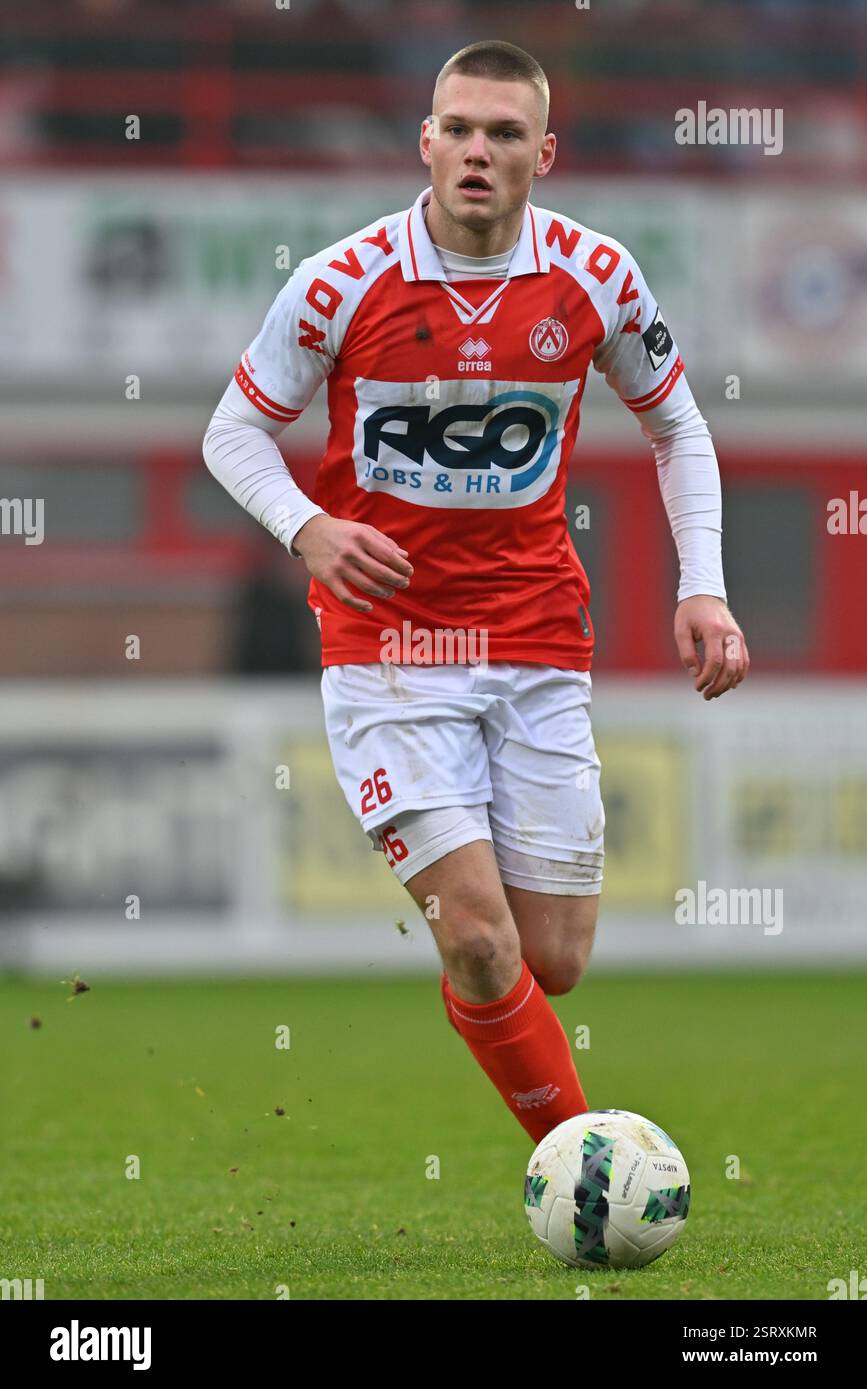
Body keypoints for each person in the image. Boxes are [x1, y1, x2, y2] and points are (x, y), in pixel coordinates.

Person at [203, 39, 749, 1145]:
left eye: (503, 133)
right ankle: (585, 1162)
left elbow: (677, 423)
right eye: (457, 128)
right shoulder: (340, 283)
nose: (477, 152)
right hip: (388, 651)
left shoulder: (595, 276)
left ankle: (514, 1031)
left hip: (539, 637)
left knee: (553, 959)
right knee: (481, 940)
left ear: (543, 153)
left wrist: (707, 587)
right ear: (426, 141)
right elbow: (236, 431)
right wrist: (307, 527)